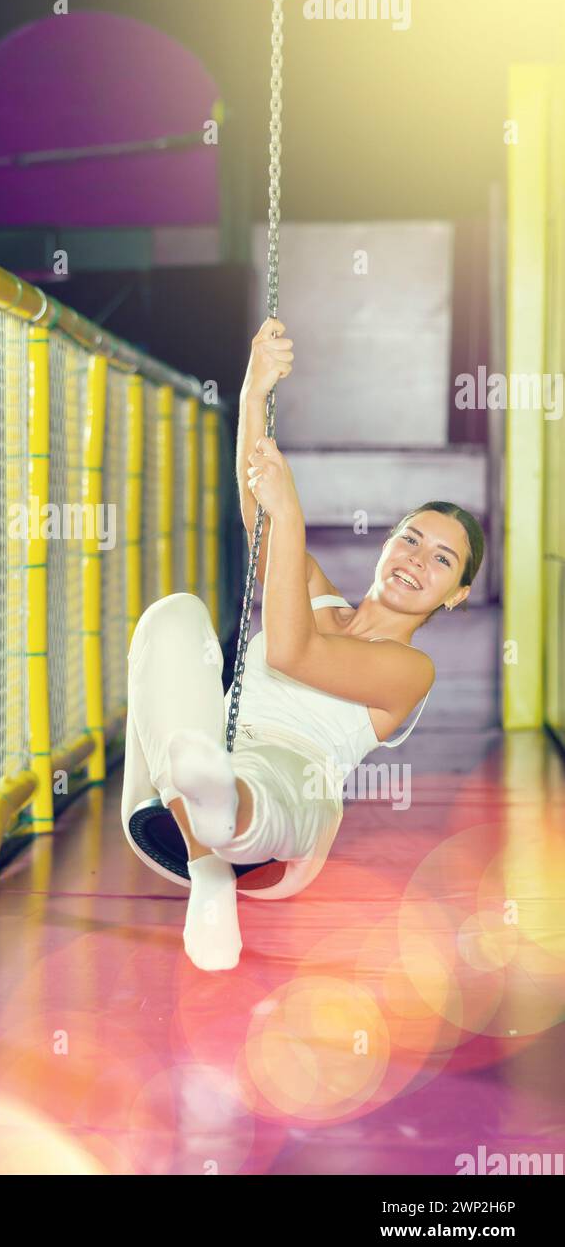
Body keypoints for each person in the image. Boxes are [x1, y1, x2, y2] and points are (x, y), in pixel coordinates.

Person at [120, 318, 486, 971]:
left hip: (286, 818)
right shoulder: (315, 595)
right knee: (175, 615)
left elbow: (294, 654)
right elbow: (257, 518)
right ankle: (205, 841)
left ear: (455, 595)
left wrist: (291, 514)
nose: (415, 560)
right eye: (410, 539)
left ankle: (217, 808)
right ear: (385, 544)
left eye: (442, 561)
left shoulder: (412, 671)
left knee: (260, 776)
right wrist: (254, 391)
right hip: (178, 787)